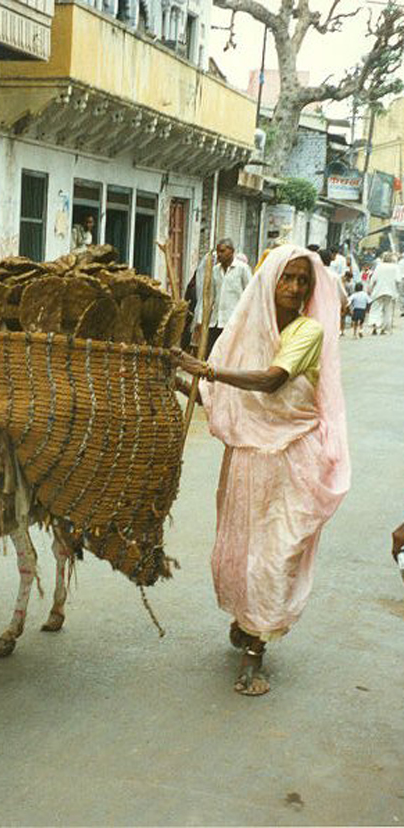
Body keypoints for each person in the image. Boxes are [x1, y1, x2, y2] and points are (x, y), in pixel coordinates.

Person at [172, 244, 350, 696]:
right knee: (240, 550)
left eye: (303, 280)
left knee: (275, 555)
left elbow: (271, 382)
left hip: (291, 460)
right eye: (287, 278)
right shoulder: (244, 334)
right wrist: (173, 375)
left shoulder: (309, 331)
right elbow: (220, 401)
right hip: (248, 461)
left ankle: (255, 652)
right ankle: (248, 620)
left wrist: (208, 370)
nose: (295, 287)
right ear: (269, 282)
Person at [194, 237, 252, 354]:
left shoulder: (242, 269)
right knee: (212, 353)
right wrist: (201, 319)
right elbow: (209, 297)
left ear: (231, 251)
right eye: (218, 252)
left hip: (233, 321)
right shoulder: (215, 271)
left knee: (230, 354)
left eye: (222, 251)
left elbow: (250, 294)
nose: (219, 255)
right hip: (215, 322)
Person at [319, 248, 350, 335]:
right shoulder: (334, 276)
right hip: (330, 308)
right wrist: (346, 304)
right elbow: (342, 295)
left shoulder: (313, 273)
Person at [368, 252, 399, 335]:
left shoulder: (379, 266)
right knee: (387, 310)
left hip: (378, 291)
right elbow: (398, 280)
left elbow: (373, 279)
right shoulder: (395, 267)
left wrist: (370, 289)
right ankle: (384, 329)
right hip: (390, 291)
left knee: (375, 309)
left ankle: (374, 326)